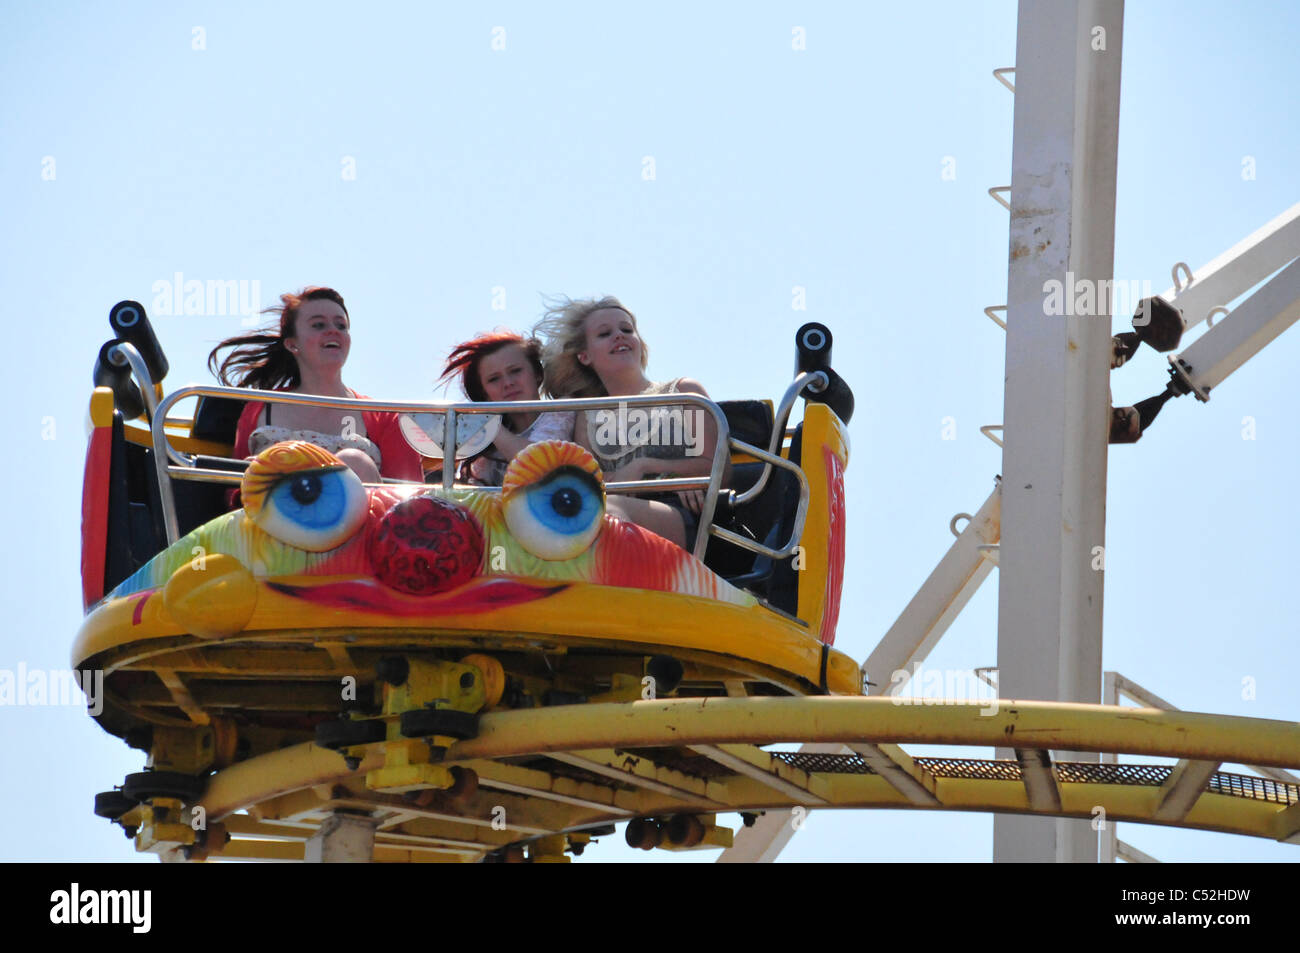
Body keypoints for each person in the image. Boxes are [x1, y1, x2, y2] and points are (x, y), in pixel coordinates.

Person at [534, 296, 724, 550]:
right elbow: (590, 482)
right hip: (609, 516)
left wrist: (645, 467)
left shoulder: (684, 392)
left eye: (626, 330)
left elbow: (721, 470)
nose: (619, 336)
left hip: (692, 520)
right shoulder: (587, 415)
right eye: (604, 334)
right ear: (584, 356)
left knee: (604, 512)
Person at [207, 287, 423, 494]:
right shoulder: (259, 406)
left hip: (361, 527)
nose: (333, 331)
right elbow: (234, 491)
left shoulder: (386, 417)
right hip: (270, 526)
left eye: (341, 326)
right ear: (292, 344)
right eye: (318, 325)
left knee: (354, 461)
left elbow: (408, 500)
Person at [438, 331, 574, 486]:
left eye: (515, 371)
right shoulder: (487, 451)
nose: (508, 383)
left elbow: (536, 463)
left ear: (537, 373)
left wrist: (489, 425)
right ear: (486, 394)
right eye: (494, 379)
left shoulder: (562, 410)